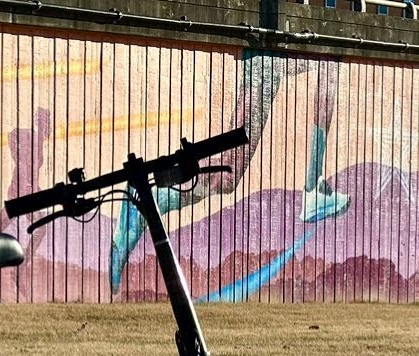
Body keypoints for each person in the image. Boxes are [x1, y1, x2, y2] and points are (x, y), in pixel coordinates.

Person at [109, 52, 351, 292]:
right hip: (265, 59)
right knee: (329, 59)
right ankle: (313, 186)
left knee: (226, 177)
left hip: (269, 64)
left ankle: (151, 200)